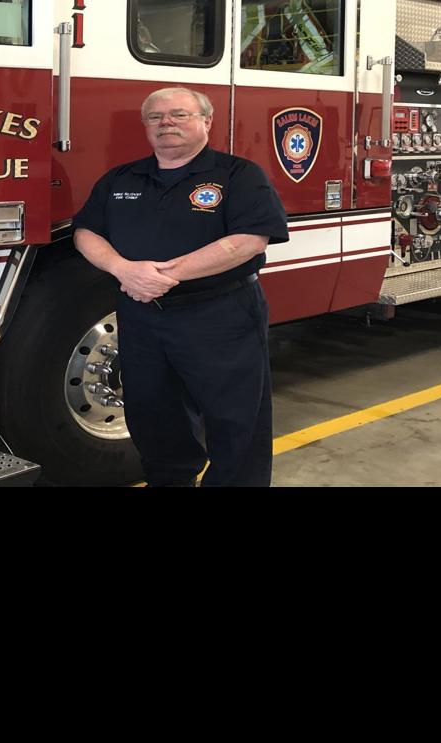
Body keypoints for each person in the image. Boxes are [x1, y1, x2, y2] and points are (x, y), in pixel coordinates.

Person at [72, 86, 289, 487]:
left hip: (219, 313)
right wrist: (124, 270)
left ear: (206, 121)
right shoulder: (121, 177)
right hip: (141, 316)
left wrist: (166, 276)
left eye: (178, 115)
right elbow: (86, 232)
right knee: (153, 413)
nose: (165, 123)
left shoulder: (238, 175)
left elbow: (248, 241)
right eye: (155, 117)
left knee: (235, 417)